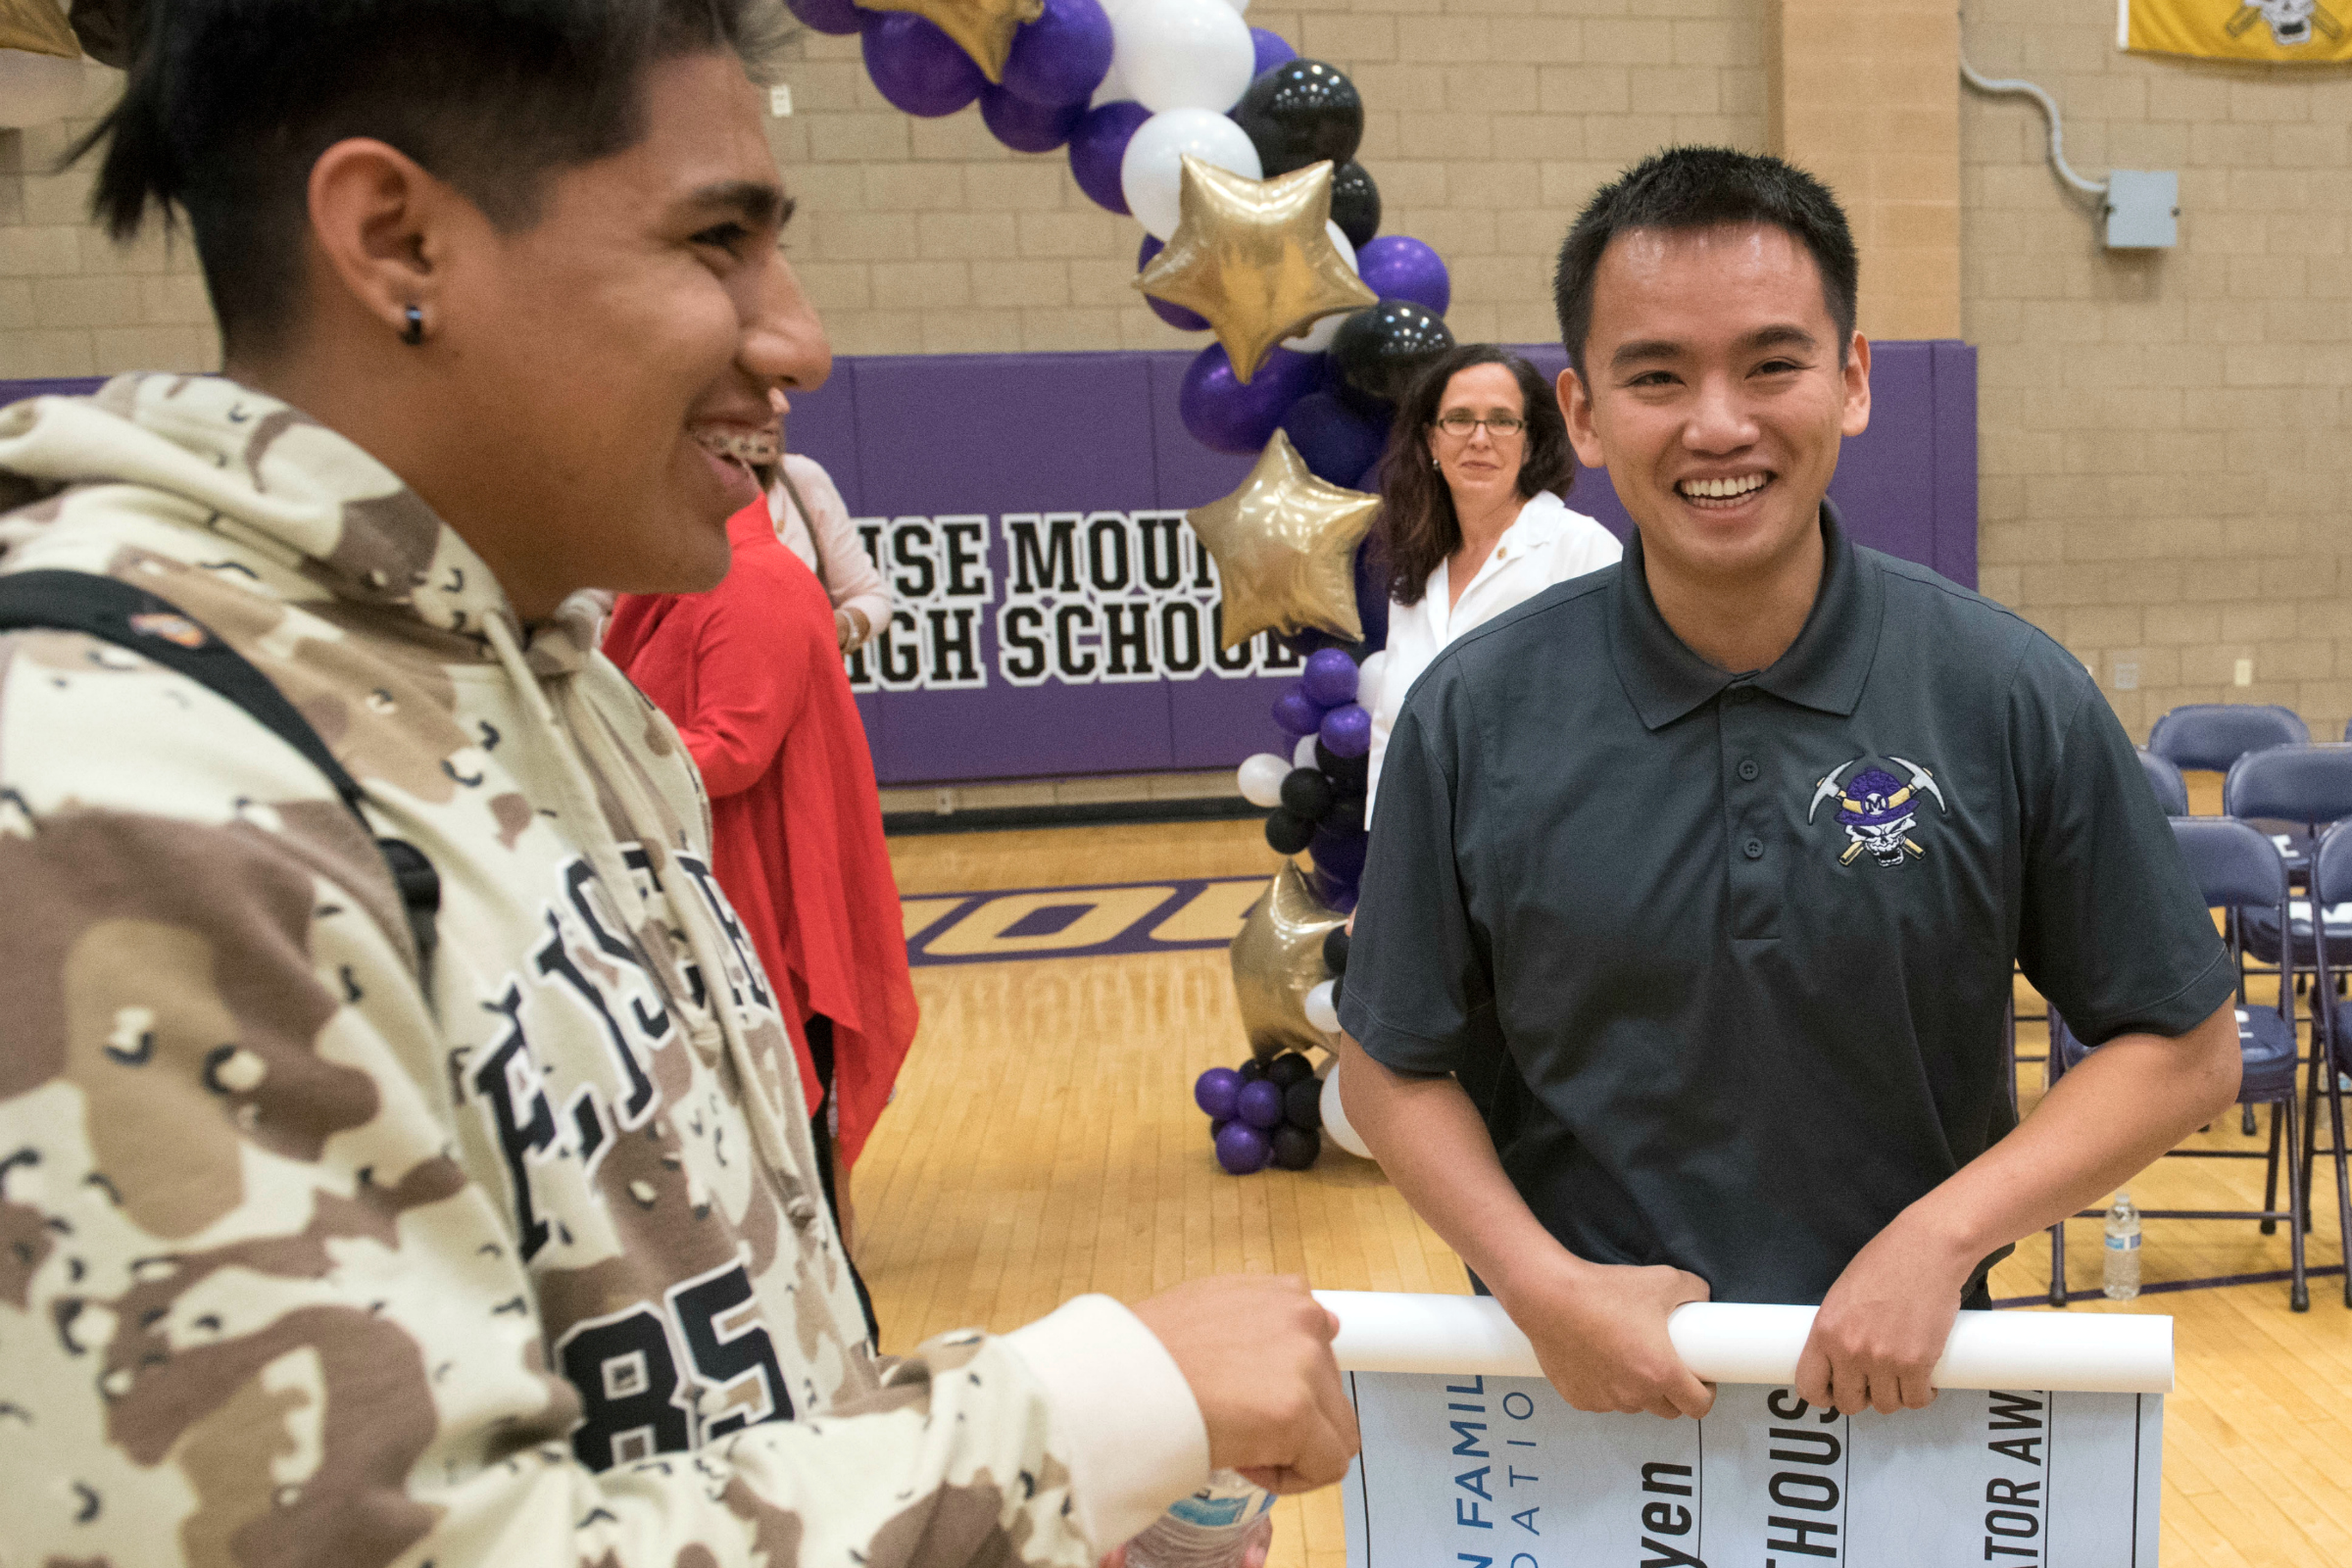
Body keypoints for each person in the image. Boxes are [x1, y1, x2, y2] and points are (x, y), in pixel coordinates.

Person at [0, 5, 1356, 1566]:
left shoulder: (558, 689)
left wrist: (1030, 1518)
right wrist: (1080, 1421)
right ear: (396, 241)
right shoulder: (109, 771)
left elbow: (696, 1395)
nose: (797, 339)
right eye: (718, 242)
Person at [1334, 146, 2242, 1423]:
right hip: (1581, 1409)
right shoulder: (1476, 715)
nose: (1720, 424)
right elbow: (1388, 1065)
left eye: (1773, 363)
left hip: (1911, 1411)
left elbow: (2187, 1049)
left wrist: (1941, 1238)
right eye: (1656, 375)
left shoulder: (2004, 692)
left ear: (1853, 378)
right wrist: (1540, 1286)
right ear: (1582, 416)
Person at [604, 490, 912, 1262]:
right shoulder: (673, 585)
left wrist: (590, 757)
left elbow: (732, 750)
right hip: (709, 906)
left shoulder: (750, 584)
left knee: (788, 1171)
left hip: (754, 919)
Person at [1362, 345, 1621, 824]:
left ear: (1529, 442)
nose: (1480, 438)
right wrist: (1381, 869)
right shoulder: (1417, 573)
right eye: (1459, 419)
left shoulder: (1581, 550)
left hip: (1546, 854)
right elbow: (1390, 732)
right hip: (1428, 856)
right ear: (1431, 441)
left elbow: (1616, 725)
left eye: (1502, 420)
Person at [761, 386, 892, 655]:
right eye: (759, 388)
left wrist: (840, 628)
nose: (781, 405)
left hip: (801, 691)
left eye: (779, 387)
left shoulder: (801, 479)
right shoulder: (672, 498)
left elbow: (871, 595)